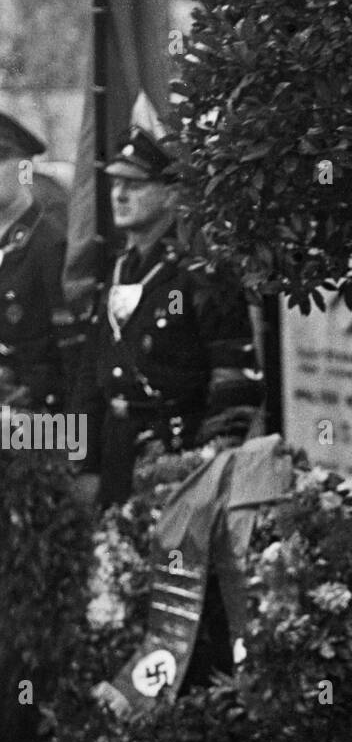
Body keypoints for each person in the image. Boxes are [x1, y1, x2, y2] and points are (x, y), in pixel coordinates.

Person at [72, 126, 262, 508]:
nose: (120, 195)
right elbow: (91, 380)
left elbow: (233, 384)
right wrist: (84, 464)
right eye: (115, 185)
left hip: (178, 458)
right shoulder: (115, 272)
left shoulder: (203, 274)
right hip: (116, 454)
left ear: (172, 195)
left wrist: (204, 466)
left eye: (136, 185)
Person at [0, 111, 70, 411]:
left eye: (0, 159)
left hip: (33, 414)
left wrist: (31, 389)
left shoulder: (50, 243)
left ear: (25, 168)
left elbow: (67, 350)